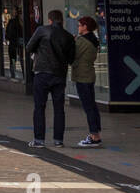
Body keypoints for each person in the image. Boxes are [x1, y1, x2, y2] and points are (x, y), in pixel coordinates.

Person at [25, 9, 77, 148]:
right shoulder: (68, 36)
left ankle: (39, 140)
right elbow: (71, 59)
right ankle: (58, 140)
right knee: (59, 108)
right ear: (62, 21)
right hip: (59, 74)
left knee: (39, 107)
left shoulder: (42, 30)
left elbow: (29, 47)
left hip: (42, 72)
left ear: (50, 20)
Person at [72, 16, 103, 148]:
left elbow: (73, 56)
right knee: (92, 105)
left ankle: (94, 136)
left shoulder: (82, 41)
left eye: (80, 25)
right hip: (89, 74)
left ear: (85, 27)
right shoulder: (94, 40)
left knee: (88, 106)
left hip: (82, 76)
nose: (78, 27)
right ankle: (96, 133)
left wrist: (73, 43)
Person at [6, 9, 24, 79]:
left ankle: (13, 75)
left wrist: (9, 39)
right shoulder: (22, 22)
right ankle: (24, 74)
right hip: (20, 42)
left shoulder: (11, 21)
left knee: (13, 59)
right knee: (22, 59)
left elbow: (7, 33)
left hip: (13, 43)